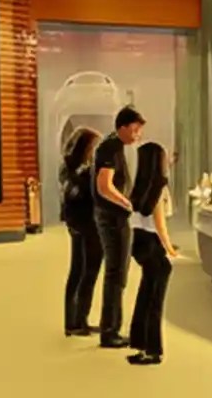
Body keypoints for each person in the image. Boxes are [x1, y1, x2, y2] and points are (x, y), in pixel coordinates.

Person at [93, 106, 145, 348]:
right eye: (134, 130)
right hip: (113, 217)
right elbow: (104, 185)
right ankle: (110, 330)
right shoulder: (111, 148)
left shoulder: (111, 145)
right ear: (122, 127)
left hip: (111, 215)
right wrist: (126, 203)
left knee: (116, 273)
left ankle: (111, 327)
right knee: (117, 274)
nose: (137, 136)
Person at [125, 142, 178, 366]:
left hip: (139, 241)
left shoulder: (139, 187)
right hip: (153, 243)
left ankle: (140, 344)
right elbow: (160, 224)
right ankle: (153, 350)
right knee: (155, 300)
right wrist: (170, 249)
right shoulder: (159, 188)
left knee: (144, 295)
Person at [60, 127, 103, 337]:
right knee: (88, 272)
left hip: (76, 224)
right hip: (88, 225)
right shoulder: (85, 172)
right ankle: (80, 320)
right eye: (94, 146)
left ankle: (73, 321)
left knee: (77, 271)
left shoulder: (68, 169)